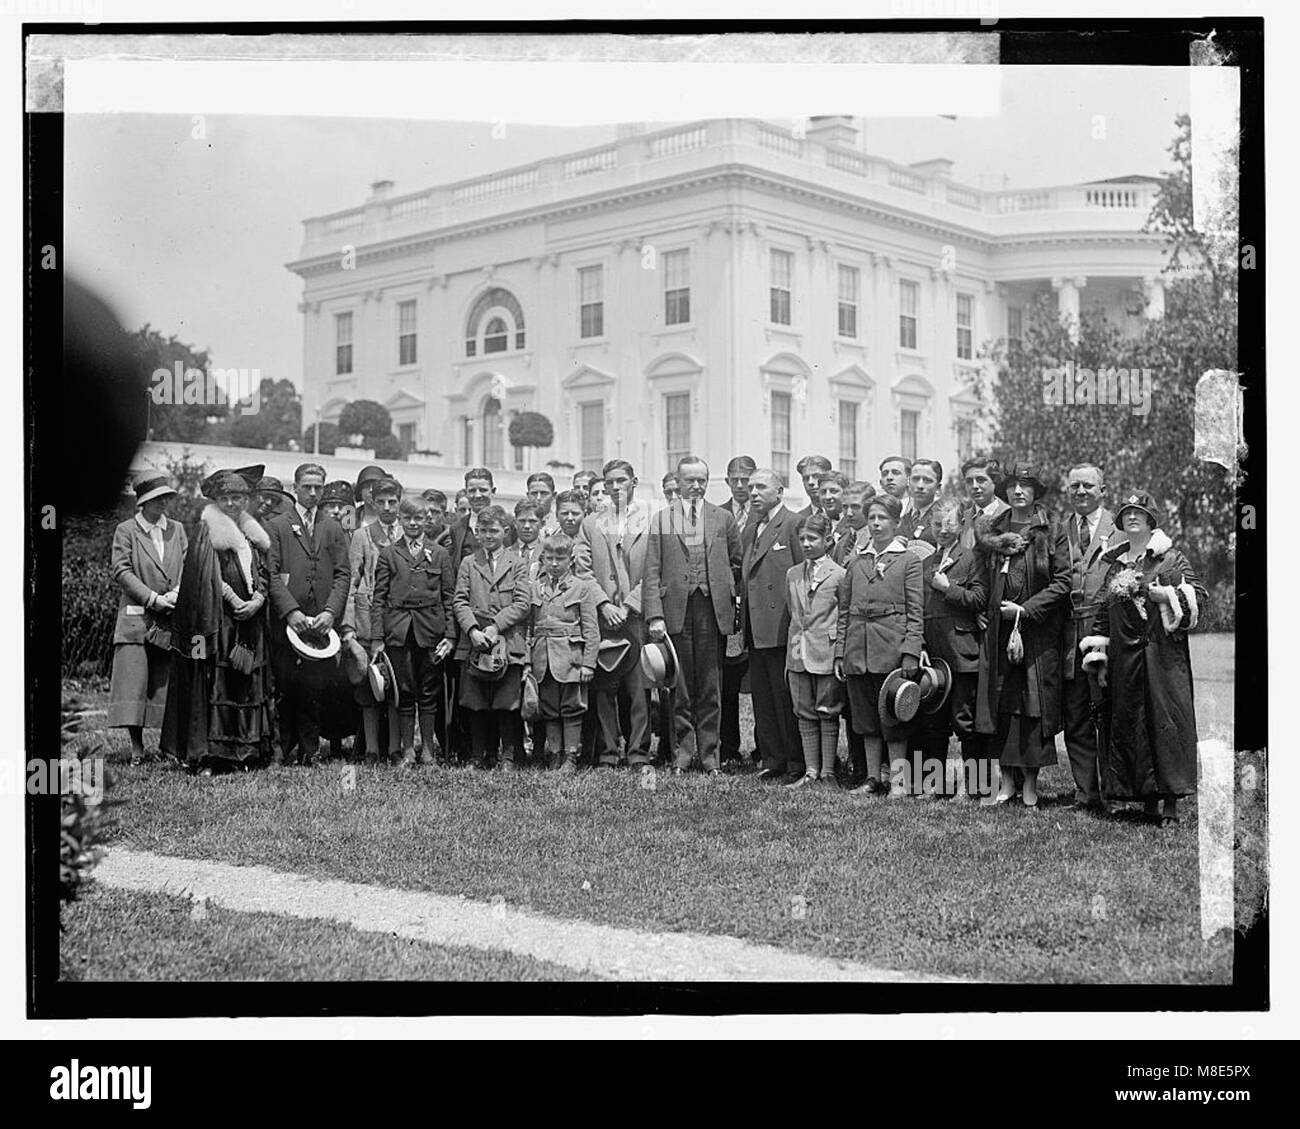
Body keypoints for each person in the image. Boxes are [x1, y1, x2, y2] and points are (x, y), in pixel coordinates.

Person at [1084, 490, 1207, 827]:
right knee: (1134, 723)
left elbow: (1201, 601)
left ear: (1151, 519)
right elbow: (1101, 615)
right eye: (1126, 513)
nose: (1132, 517)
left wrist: (1166, 596)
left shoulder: (1170, 559)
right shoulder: (1114, 564)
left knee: (1167, 723)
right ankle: (1145, 799)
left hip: (1163, 659)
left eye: (1139, 512)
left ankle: (1170, 804)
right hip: (1126, 660)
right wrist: (1099, 658)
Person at [161, 466, 276, 775]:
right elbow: (206, 576)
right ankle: (212, 756)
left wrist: (259, 599)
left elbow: (264, 572)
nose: (233, 504)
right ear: (216, 500)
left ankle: (244, 752)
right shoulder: (207, 529)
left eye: (238, 497)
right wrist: (237, 601)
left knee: (245, 684)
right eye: (226, 498)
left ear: (247, 499)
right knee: (219, 684)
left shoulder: (253, 533)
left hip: (250, 620)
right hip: (220, 621)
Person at [974, 462, 1071, 809]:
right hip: (999, 632)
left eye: (1025, 486)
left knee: (1032, 706)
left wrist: (1026, 610)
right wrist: (981, 612)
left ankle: (1030, 783)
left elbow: (1063, 582)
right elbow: (978, 579)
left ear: (1035, 492)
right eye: (1013, 485)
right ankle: (1006, 782)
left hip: (1036, 632)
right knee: (1001, 704)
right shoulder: (991, 530)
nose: (1018, 491)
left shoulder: (1050, 528)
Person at [644, 455, 742, 777]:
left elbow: (736, 563)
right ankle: (683, 755)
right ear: (679, 482)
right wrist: (655, 616)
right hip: (676, 610)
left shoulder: (723, 518)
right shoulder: (662, 519)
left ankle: (711, 757)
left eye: (702, 480)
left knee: (711, 686)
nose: (696, 486)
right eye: (690, 480)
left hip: (711, 611)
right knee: (680, 687)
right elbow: (652, 569)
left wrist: (724, 592)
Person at [835, 493, 924, 796]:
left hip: (892, 650)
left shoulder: (908, 560)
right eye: (871, 517)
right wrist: (840, 653)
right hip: (858, 650)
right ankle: (874, 778)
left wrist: (910, 652)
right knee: (865, 719)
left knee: (894, 717)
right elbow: (845, 610)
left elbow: (916, 612)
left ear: (897, 523)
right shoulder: (856, 561)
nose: (875, 523)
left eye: (882, 518)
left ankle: (898, 781)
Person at [266, 463, 352, 767]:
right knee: (285, 686)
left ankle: (310, 750)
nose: (313, 492)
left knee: (315, 687)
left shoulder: (332, 527)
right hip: (288, 622)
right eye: (307, 486)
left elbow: (343, 574)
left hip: (320, 625)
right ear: (295, 488)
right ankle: (281, 749)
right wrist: (290, 611)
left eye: (318, 487)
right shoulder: (277, 526)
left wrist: (331, 612)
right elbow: (271, 575)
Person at [108, 473, 188, 765]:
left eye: (167, 497)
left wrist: (177, 594)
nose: (164, 503)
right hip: (137, 618)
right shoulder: (126, 530)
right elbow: (121, 570)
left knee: (165, 681)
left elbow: (187, 563)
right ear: (143, 502)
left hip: (170, 616)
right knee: (135, 680)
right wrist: (152, 598)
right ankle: (137, 747)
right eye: (158, 499)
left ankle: (169, 746)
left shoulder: (177, 530)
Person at [580, 459, 654, 772]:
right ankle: (607, 753)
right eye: (610, 482)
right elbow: (582, 570)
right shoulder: (591, 523)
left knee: (638, 690)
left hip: (634, 618)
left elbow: (654, 569)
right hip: (603, 619)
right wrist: (603, 604)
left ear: (634, 482)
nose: (615, 487)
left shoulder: (651, 521)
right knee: (604, 689)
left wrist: (628, 605)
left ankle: (638, 754)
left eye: (622, 480)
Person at [915, 500, 991, 800]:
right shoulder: (925, 563)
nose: (943, 531)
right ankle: (935, 785)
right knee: (934, 722)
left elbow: (980, 599)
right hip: (934, 654)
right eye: (937, 526)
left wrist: (948, 589)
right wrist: (920, 644)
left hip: (963, 651)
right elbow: (918, 608)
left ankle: (974, 787)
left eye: (948, 525)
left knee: (965, 720)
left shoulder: (972, 559)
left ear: (961, 526)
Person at [372, 497, 456, 766]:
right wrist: (377, 638)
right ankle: (408, 750)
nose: (413, 523)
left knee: (429, 692)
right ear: (400, 520)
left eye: (418, 518)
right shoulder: (389, 554)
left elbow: (449, 597)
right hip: (399, 631)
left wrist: (451, 636)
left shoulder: (440, 554)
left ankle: (428, 750)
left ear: (426, 520)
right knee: (404, 691)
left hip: (431, 631)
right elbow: (379, 598)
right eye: (407, 518)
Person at [452, 504, 530, 770]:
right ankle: (478, 754)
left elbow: (522, 604)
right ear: (476, 532)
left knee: (506, 702)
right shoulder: (469, 563)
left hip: (507, 640)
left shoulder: (518, 563)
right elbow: (460, 601)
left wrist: (495, 626)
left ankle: (507, 756)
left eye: (493, 530)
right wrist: (473, 630)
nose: (487, 535)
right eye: (482, 530)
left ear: (506, 531)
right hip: (474, 642)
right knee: (475, 702)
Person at [1059, 463, 1116, 811]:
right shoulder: (1059, 530)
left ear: (1103, 490)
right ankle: (1086, 793)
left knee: (1108, 713)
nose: (1081, 491)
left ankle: (1115, 790)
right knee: (1076, 716)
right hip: (1067, 637)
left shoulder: (1121, 529)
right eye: (1074, 486)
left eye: (1088, 486)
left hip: (1106, 633)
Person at [742, 468, 806, 782]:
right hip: (755, 627)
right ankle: (772, 759)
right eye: (751, 487)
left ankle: (795, 762)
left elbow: (803, 575)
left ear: (779, 492)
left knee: (785, 698)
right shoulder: (751, 528)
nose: (753, 493)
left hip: (783, 627)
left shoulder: (793, 524)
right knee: (763, 699)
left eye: (761, 487)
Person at [529, 531, 601, 774]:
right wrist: (529, 662)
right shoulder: (536, 588)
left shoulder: (581, 588)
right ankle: (555, 754)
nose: (554, 563)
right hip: (542, 658)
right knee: (549, 709)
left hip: (571, 659)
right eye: (548, 558)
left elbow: (591, 628)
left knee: (572, 707)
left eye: (559, 559)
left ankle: (570, 756)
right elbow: (530, 626)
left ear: (571, 559)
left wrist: (589, 663)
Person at [784, 513, 846, 790]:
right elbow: (793, 612)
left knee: (827, 709)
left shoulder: (840, 574)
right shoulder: (793, 574)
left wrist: (840, 652)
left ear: (828, 540)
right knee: (804, 710)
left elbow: (844, 615)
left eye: (813, 538)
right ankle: (810, 770)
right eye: (802, 539)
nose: (807, 544)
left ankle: (828, 772)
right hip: (798, 651)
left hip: (827, 650)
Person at [344, 476, 402, 763]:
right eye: (381, 502)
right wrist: (349, 628)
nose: (388, 507)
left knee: (394, 686)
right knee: (369, 686)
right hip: (368, 619)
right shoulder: (362, 536)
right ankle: (370, 750)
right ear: (373, 503)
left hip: (399, 620)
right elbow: (352, 584)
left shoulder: (407, 533)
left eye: (393, 502)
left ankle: (394, 748)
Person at [719, 455, 758, 768]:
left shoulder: (763, 514)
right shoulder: (719, 515)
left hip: (758, 607)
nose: (742, 486)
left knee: (760, 680)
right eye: (736, 479)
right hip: (729, 606)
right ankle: (729, 746)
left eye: (747, 479)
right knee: (728, 679)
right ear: (728, 480)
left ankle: (764, 747)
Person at [960, 456, 1010, 549]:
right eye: (969, 481)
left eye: (981, 480)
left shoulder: (1008, 515)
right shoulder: (963, 518)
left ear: (995, 481)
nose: (974, 486)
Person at [899, 458, 942, 542]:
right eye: (915, 479)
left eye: (927, 480)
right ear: (908, 482)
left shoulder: (943, 520)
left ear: (938, 487)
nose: (920, 485)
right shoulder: (901, 520)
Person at [512, 500, 545, 580]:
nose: (527, 526)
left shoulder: (548, 553)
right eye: (522, 521)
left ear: (542, 524)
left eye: (532, 521)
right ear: (515, 523)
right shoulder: (505, 554)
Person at [353, 465, 390, 530]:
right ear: (360, 491)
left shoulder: (399, 522)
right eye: (367, 486)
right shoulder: (349, 521)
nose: (371, 490)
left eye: (376, 486)